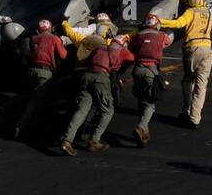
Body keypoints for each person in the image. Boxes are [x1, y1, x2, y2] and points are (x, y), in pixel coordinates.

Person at [59, 15, 132, 155]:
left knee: (81, 110)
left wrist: (64, 22)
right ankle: (94, 140)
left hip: (83, 76)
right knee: (107, 110)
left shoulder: (85, 40)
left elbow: (71, 33)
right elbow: (124, 55)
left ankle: (67, 140)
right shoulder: (108, 45)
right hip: (100, 77)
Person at [160, 0, 212, 128]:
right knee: (201, 86)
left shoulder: (190, 12)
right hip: (207, 50)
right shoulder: (208, 12)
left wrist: (160, 21)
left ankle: (186, 111)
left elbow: (179, 23)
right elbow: (196, 8)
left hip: (193, 49)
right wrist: (184, 0)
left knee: (188, 80)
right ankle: (195, 119)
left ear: (191, 2)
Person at [14, 19, 67, 140]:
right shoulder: (54, 38)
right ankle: (20, 126)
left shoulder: (34, 38)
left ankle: (35, 125)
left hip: (32, 70)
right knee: (36, 100)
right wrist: (61, 43)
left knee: (36, 98)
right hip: (45, 72)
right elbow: (63, 55)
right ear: (50, 28)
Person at [129, 14, 173, 146]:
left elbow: (131, 47)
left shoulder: (139, 35)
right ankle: (141, 127)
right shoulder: (161, 35)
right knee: (150, 103)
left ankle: (144, 134)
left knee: (141, 99)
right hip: (151, 70)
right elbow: (168, 41)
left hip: (137, 69)